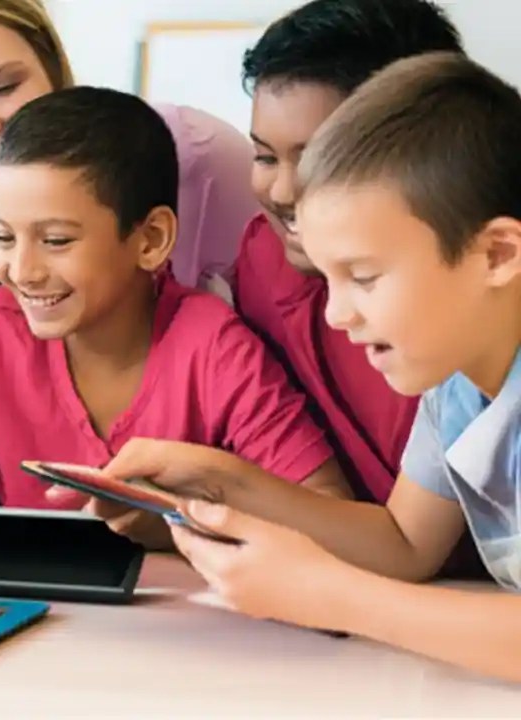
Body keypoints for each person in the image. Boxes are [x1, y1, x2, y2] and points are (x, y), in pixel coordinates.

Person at [0, 87, 347, 566]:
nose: (21, 271)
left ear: (150, 240)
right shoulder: (0, 337)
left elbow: (331, 514)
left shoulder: (213, 347)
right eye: (4, 236)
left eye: (55, 240)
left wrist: (179, 523)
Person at [93, 53, 521, 684]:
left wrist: (332, 596)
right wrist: (224, 482)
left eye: (364, 277)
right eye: (330, 278)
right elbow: (404, 543)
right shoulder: (456, 386)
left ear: (498, 254)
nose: (337, 315)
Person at [230, 0, 463, 501]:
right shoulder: (263, 259)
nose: (282, 192)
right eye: (264, 157)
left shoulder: (476, 295)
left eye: (316, 159)